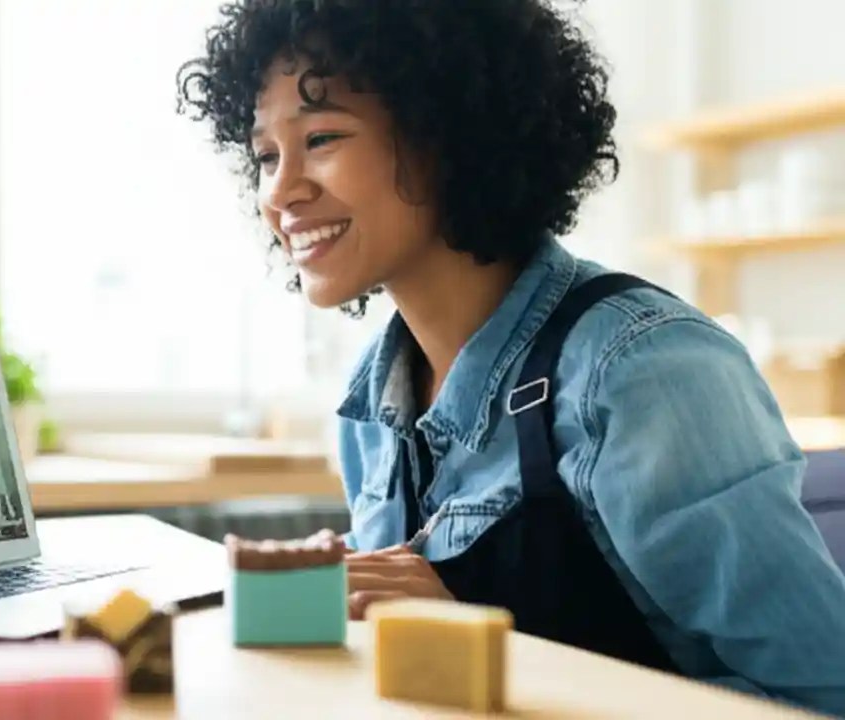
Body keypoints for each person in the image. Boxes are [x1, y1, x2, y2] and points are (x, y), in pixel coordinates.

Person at [176, 1, 845, 715]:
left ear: (450, 133)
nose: (279, 193)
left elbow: (819, 696)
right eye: (266, 155)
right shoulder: (370, 400)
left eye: (323, 137)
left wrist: (495, 645)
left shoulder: (642, 371)